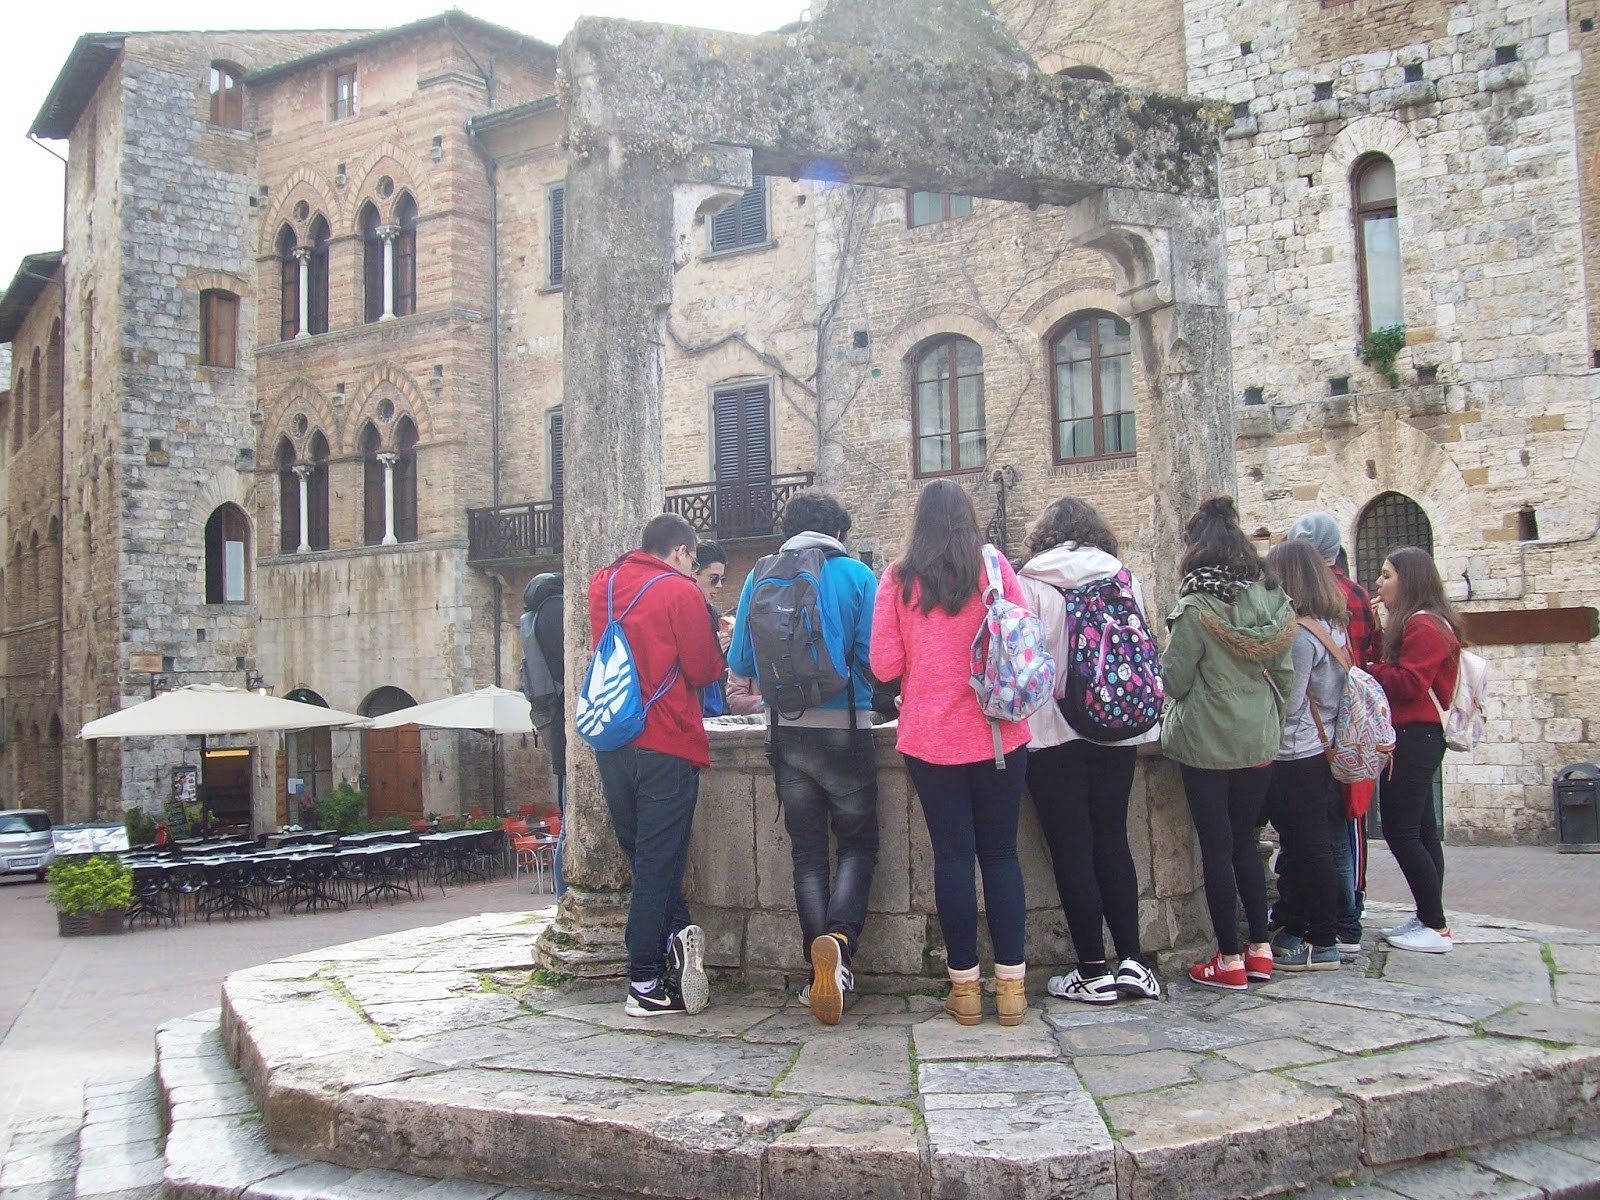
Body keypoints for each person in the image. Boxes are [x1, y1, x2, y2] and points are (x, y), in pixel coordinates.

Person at [869, 479, 1033, 1026]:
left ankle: (964, 991)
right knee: (1002, 855)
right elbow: (1026, 635)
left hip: (931, 740)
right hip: (999, 734)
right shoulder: (996, 567)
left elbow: (884, 666)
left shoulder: (897, 578)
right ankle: (1011, 990)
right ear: (969, 519)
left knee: (954, 859)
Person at [727, 490, 879, 1025]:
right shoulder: (858, 575)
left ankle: (819, 968)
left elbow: (741, 659)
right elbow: (874, 660)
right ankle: (838, 943)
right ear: (838, 531)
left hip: (786, 733)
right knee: (859, 845)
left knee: (808, 854)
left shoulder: (758, 576)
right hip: (846, 730)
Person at [1016, 497, 1161, 1005]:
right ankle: (1134, 962)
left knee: (1071, 845)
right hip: (1116, 726)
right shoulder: (1123, 578)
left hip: (1052, 732)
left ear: (1044, 535)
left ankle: (1092, 969)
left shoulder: (1031, 582)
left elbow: (1022, 662)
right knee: (1112, 838)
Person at [587, 513, 727, 1016]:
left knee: (643, 855)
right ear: (682, 553)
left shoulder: (601, 584)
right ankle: (644, 983)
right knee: (657, 862)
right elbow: (703, 669)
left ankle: (679, 932)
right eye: (692, 559)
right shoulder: (679, 592)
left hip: (613, 737)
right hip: (665, 739)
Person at [1161, 497, 1296, 991]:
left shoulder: (1197, 606)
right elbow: (1284, 673)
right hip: (1257, 738)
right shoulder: (1273, 600)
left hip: (1207, 741)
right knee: (1245, 842)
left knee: (1216, 848)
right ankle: (1260, 948)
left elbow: (1174, 681)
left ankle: (1229, 957)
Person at [1289, 512, 1379, 952]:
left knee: (1319, 840)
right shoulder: (1344, 610)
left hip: (1312, 743)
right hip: (1340, 733)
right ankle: (1346, 916)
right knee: (1338, 830)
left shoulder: (1304, 631)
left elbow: (1291, 700)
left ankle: (1332, 927)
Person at [1368, 545, 1461, 954]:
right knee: (1422, 830)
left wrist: (1371, 670)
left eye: (1387, 575)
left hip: (1417, 734)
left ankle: (1436, 925)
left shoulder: (1424, 626)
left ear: (1409, 580)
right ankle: (1428, 915)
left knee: (1400, 829)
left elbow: (1409, 682)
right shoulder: (1423, 623)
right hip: (1419, 734)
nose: (1379, 582)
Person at [1262, 539, 1349, 973]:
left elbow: (1289, 703)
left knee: (1308, 847)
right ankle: (1298, 928)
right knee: (1303, 846)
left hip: (1295, 752)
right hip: (1321, 747)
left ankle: (1322, 940)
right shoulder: (1333, 626)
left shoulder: (1299, 636)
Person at [520, 572, 567, 896]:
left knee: (567, 820)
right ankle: (565, 892)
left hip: (549, 717)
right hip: (565, 716)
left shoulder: (533, 618)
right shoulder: (555, 611)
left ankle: (563, 892)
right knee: (571, 824)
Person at [693, 541, 731, 717]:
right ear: (694, 574)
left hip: (710, 705)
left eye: (722, 579)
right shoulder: (685, 610)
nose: (719, 585)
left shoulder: (711, 613)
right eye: (713, 578)